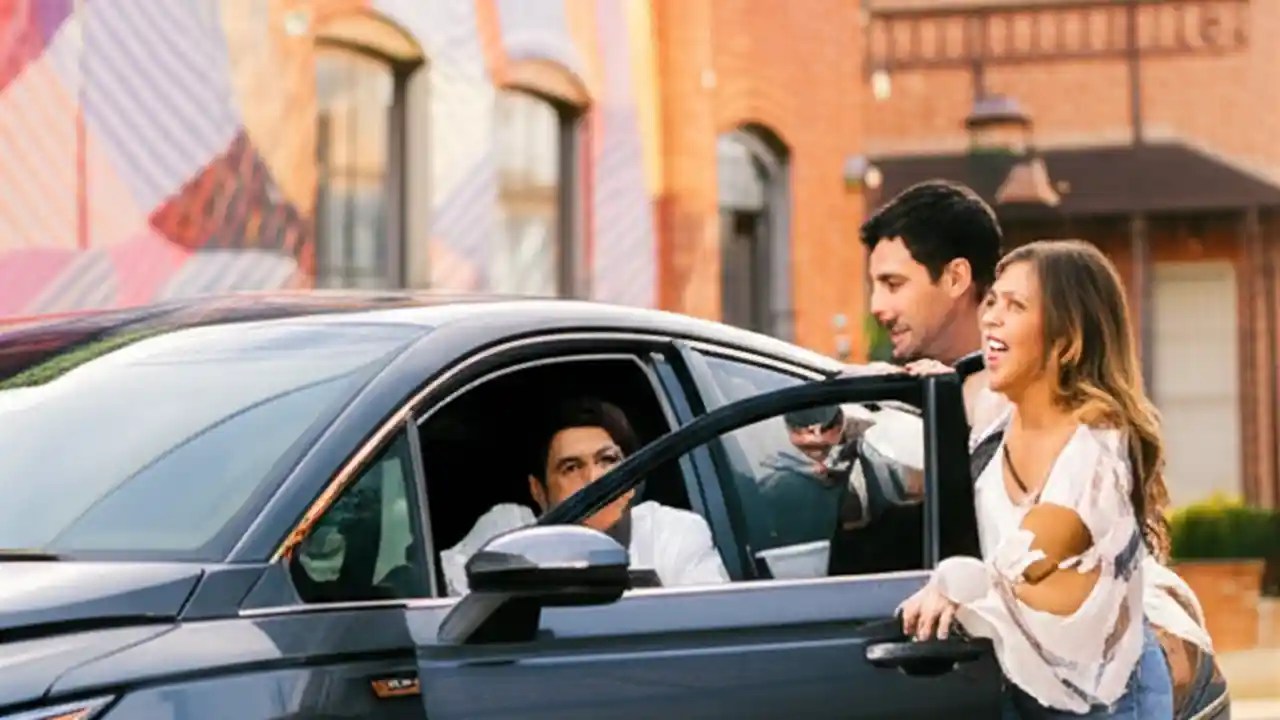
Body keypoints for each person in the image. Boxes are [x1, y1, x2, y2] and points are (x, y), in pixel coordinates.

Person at [899, 240, 1175, 718]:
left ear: (1066, 342)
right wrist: (857, 418)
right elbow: (908, 457)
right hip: (1025, 687)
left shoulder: (1099, 444)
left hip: (1107, 701)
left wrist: (950, 582)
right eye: (993, 301)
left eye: (1016, 305)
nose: (990, 317)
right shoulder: (999, 421)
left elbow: (1034, 549)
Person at [440, 396, 729, 595]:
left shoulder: (671, 533)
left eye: (607, 461)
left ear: (631, 480)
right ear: (538, 491)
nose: (593, 479)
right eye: (571, 467)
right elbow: (447, 590)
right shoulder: (508, 533)